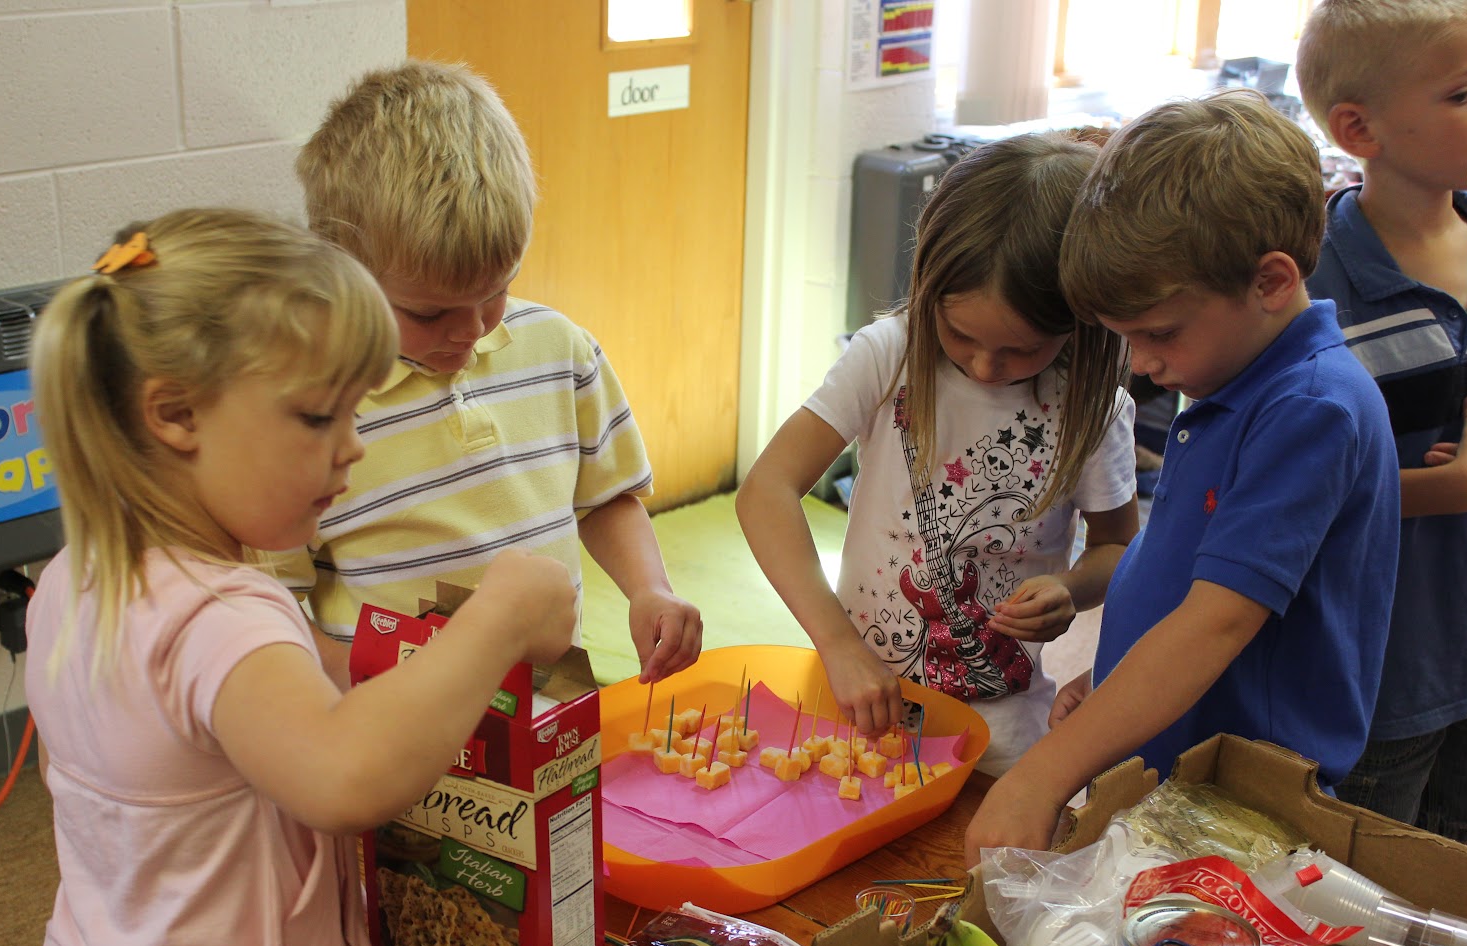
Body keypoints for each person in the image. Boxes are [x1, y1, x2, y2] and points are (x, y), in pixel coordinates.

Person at [16, 208, 578, 946]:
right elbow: (345, 776)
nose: (352, 448)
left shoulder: (78, 575)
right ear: (176, 413)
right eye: (319, 418)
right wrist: (496, 618)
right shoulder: (220, 615)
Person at [964, 90, 1401, 864]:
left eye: (1159, 332)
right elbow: (1177, 558)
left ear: (1270, 282)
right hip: (1182, 777)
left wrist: (1043, 773)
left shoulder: (1308, 408)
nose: (1142, 363)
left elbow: (1215, 622)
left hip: (1245, 806)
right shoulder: (1236, 376)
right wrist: (1112, 675)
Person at [275, 59, 701, 686]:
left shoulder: (559, 350)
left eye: (497, 291)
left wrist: (649, 588)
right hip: (391, 723)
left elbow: (606, 496)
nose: (472, 329)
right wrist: (348, 677)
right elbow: (268, 598)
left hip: (546, 710)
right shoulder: (305, 413)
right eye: (429, 313)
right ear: (339, 273)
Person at [736, 131, 1139, 777]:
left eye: (1021, 349)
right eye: (959, 334)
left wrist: (1070, 588)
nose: (984, 365)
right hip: (859, 698)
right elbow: (765, 492)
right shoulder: (888, 354)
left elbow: (1117, 549)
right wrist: (837, 643)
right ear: (927, 285)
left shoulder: (1093, 406)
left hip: (1001, 724)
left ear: (1077, 323)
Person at [1297, 0, 1467, 844]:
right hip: (1381, 678)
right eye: (1464, 93)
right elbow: (1264, 495)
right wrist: (1442, 490)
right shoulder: (1308, 289)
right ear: (1358, 129)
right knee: (1364, 889)